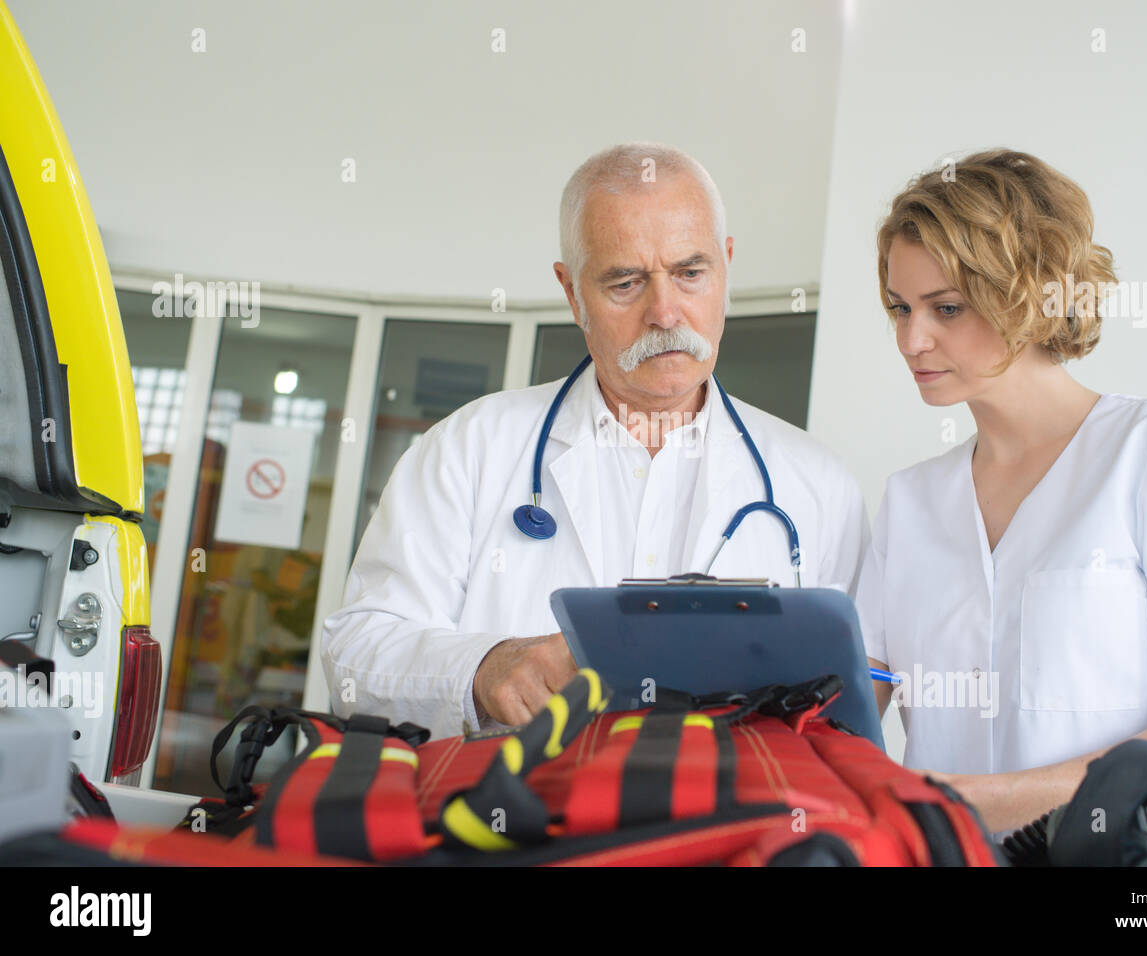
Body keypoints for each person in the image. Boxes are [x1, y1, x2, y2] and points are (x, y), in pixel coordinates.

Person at [321, 143, 867, 739]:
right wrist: (480, 668)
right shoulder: (468, 450)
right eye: (626, 282)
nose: (665, 312)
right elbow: (354, 655)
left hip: (727, 825)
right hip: (513, 820)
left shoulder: (819, 486)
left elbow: (851, 711)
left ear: (727, 268)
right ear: (571, 292)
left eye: (690, 273)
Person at [858, 149, 1147, 835]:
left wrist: (952, 798)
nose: (913, 339)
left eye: (946, 308)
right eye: (899, 307)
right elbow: (844, 724)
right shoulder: (911, 503)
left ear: (1029, 296)